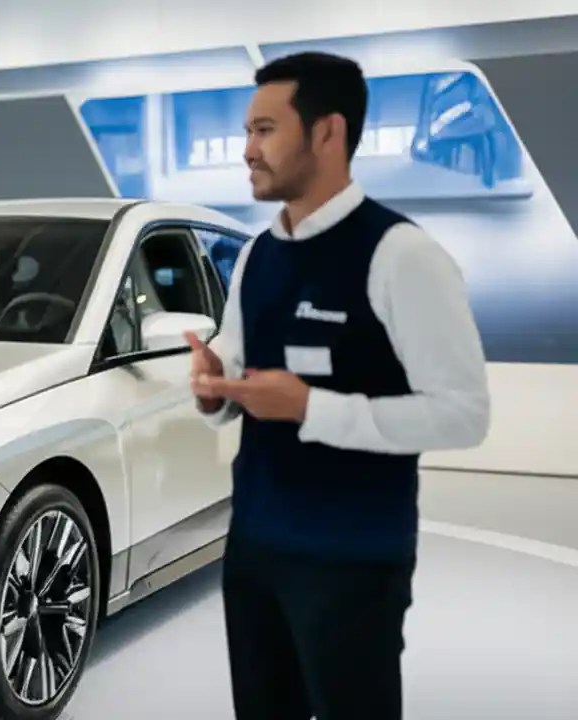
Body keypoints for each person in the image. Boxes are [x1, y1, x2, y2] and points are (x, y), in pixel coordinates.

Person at [184, 52, 490, 720]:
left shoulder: (402, 256)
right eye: (246, 132)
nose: (246, 151)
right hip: (256, 547)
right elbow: (238, 366)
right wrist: (214, 390)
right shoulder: (260, 255)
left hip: (354, 557)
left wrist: (314, 409)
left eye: (265, 130)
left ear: (328, 132)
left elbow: (464, 415)